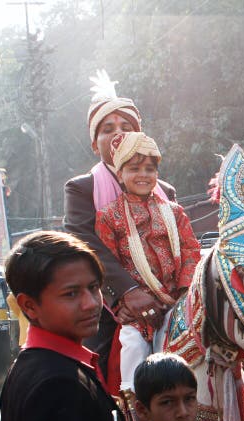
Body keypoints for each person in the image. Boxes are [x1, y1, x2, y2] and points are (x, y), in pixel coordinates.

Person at [0, 231, 174, 421]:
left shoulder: (37, 366)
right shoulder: (58, 385)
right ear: (29, 306)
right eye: (71, 294)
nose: (91, 303)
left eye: (94, 288)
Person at [64, 73, 177, 386]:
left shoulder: (165, 191)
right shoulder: (81, 189)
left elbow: (179, 247)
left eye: (126, 127)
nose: (117, 134)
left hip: (169, 305)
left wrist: (174, 295)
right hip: (107, 313)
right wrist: (124, 296)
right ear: (93, 142)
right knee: (101, 386)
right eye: (107, 128)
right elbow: (84, 245)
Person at [95, 132, 200, 391]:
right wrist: (121, 303)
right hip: (138, 312)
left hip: (178, 303)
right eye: (134, 169)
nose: (143, 174)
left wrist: (186, 293)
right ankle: (135, 415)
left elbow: (190, 250)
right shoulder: (109, 217)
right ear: (119, 174)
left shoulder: (175, 212)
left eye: (150, 169)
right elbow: (106, 266)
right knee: (132, 347)